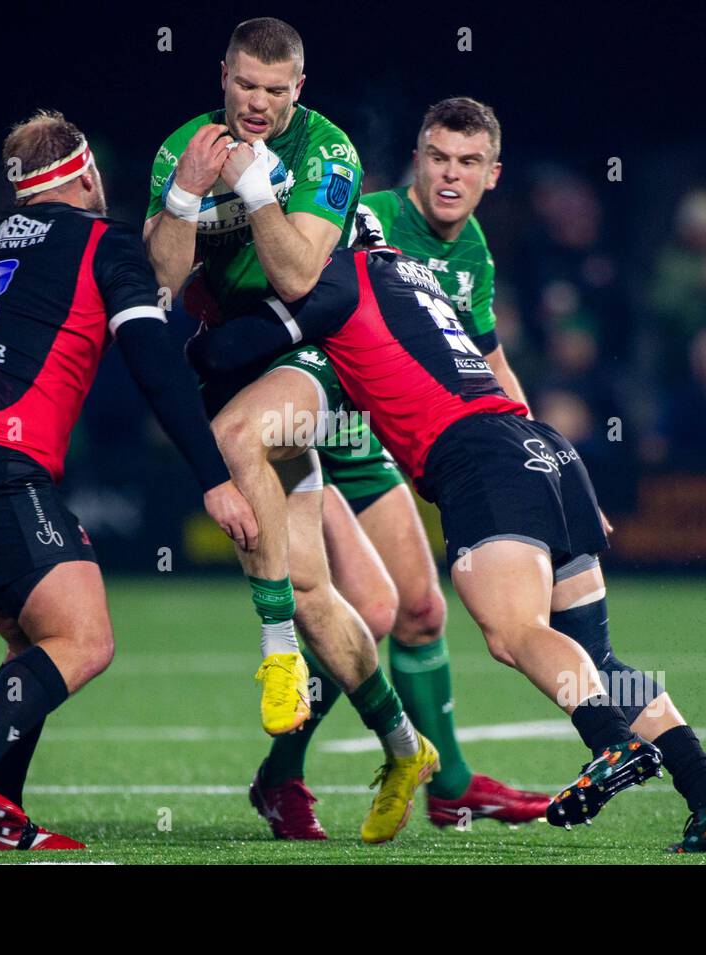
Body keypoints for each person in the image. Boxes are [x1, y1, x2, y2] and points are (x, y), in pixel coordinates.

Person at [188, 238, 706, 852]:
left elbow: (223, 349)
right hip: (545, 448)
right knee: (599, 659)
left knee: (514, 633)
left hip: (476, 460)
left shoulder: (340, 278)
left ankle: (610, 744)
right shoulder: (411, 270)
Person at [0, 110, 256, 853]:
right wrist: (214, 477)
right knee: (85, 641)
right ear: (87, 173)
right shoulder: (101, 242)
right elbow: (153, 359)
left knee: (34, 646)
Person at [144, 16, 435, 844]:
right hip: (239, 360)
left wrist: (258, 185)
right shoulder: (184, 147)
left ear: (297, 88)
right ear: (223, 75)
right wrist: (186, 194)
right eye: (246, 85)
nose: (259, 103)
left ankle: (275, 658)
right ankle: (402, 746)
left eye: (276, 90)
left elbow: (301, 271)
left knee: (239, 437)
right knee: (313, 592)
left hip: (320, 355)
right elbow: (161, 280)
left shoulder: (327, 150)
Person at [251, 97, 548, 836]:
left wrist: (539, 449)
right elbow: (286, 299)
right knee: (369, 611)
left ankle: (448, 784)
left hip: (375, 440)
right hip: (308, 427)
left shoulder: (471, 246)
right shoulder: (369, 214)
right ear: (418, 158)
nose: (450, 176)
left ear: (492, 174)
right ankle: (281, 778)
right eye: (439, 158)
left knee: (421, 610)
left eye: (467, 162)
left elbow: (487, 358)